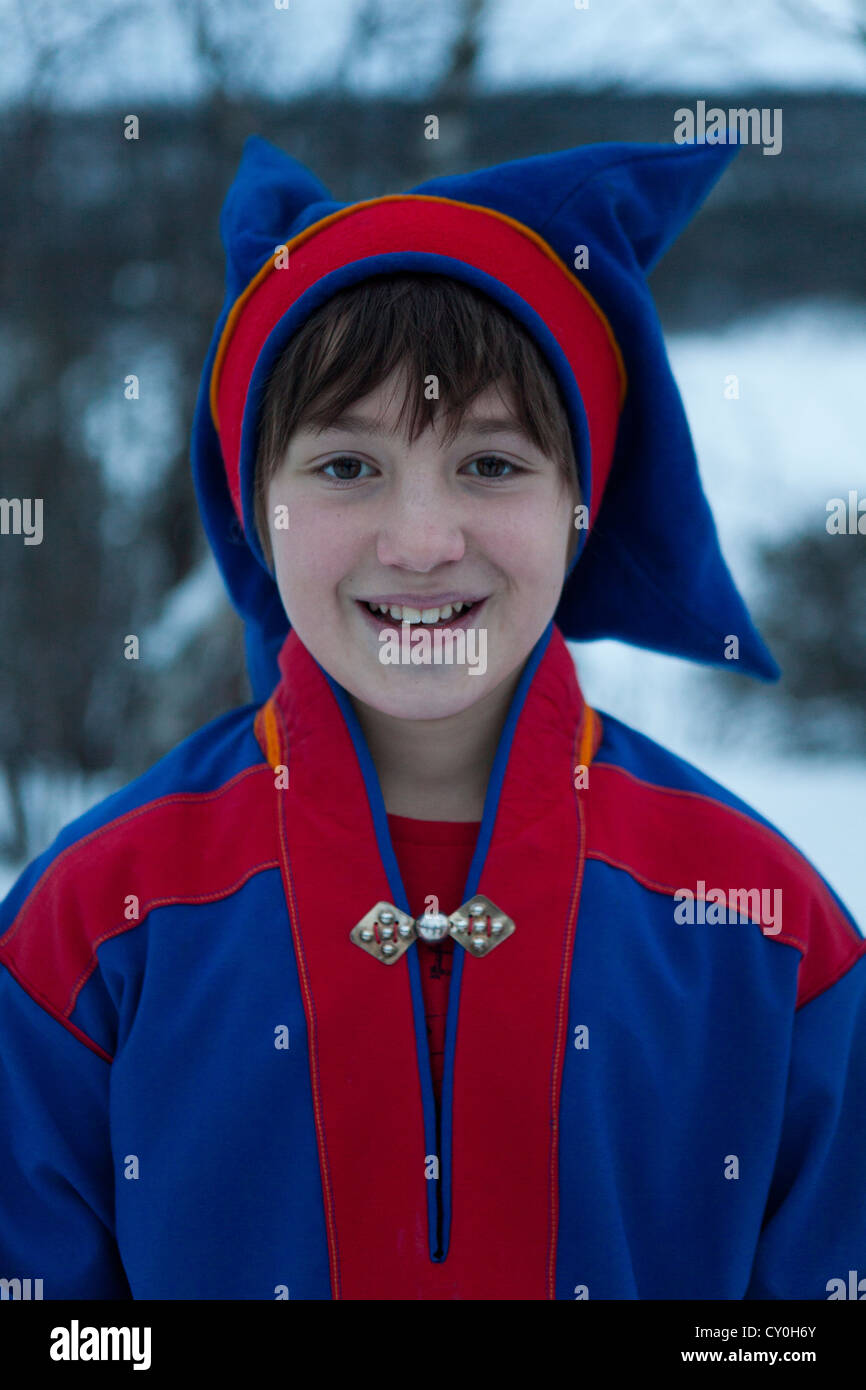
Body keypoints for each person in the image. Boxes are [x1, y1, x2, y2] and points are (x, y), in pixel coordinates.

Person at [1, 135, 863, 1301]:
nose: (419, 542)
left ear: (583, 507)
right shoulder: (89, 926)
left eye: (490, 465)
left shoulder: (767, 931)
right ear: (256, 512)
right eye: (346, 467)